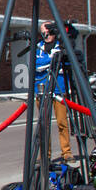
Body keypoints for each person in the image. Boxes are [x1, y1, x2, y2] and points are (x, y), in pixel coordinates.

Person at [35, 22, 74, 163]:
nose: (47, 35)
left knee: (62, 122)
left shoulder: (61, 46)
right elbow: (37, 66)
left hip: (59, 90)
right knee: (44, 124)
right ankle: (45, 153)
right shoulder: (38, 48)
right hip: (42, 90)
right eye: (44, 32)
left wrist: (52, 62)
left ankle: (67, 152)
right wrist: (52, 61)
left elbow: (66, 63)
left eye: (50, 32)